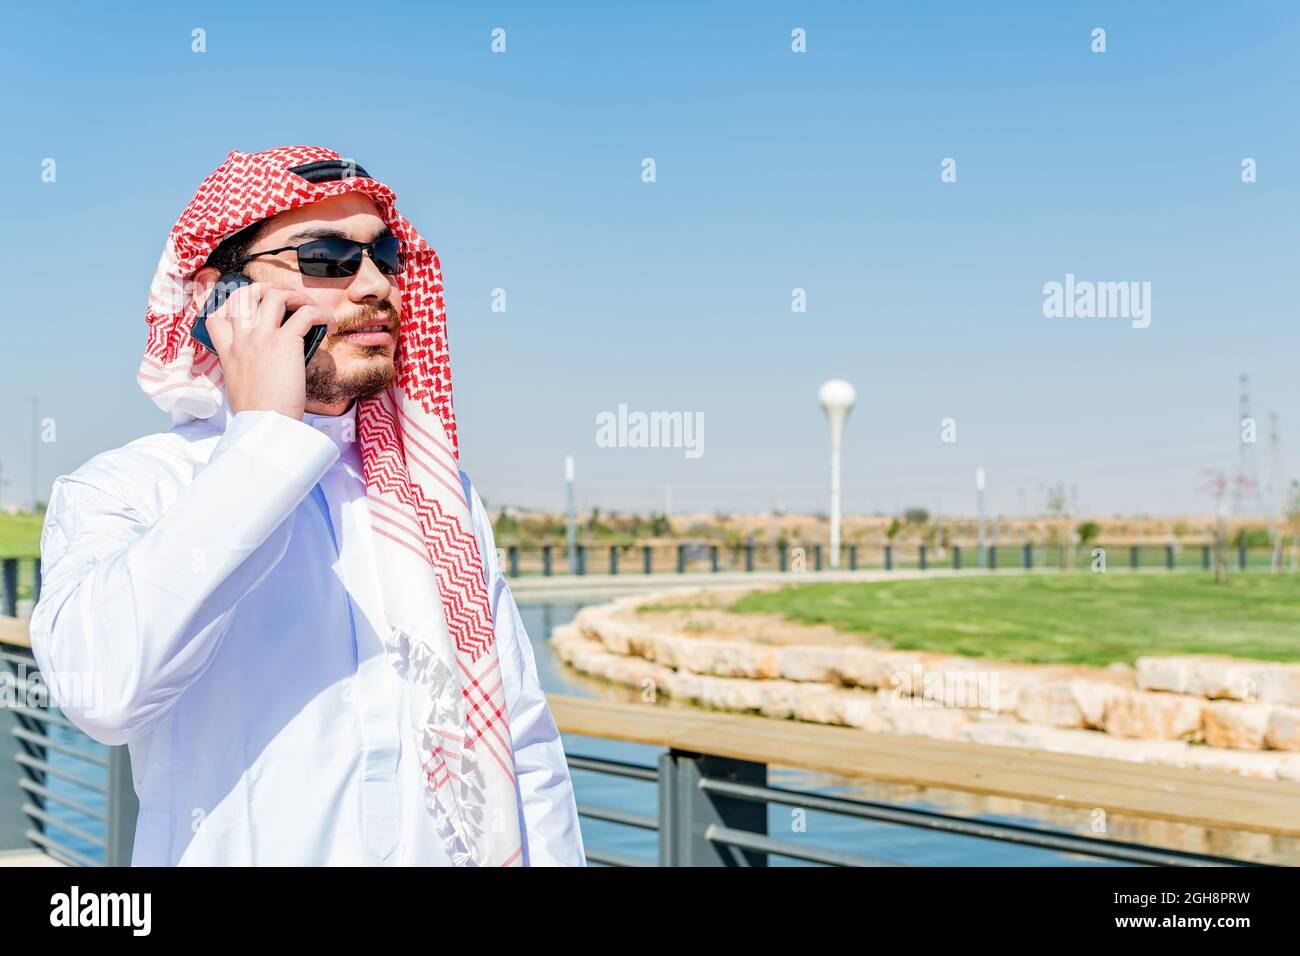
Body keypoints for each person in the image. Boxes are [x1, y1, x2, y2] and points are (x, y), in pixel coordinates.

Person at [29, 146, 585, 867]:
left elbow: (525, 745)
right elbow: (101, 692)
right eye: (328, 258)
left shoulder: (435, 496)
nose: (377, 284)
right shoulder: (130, 490)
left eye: (385, 255)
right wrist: (264, 440)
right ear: (217, 298)